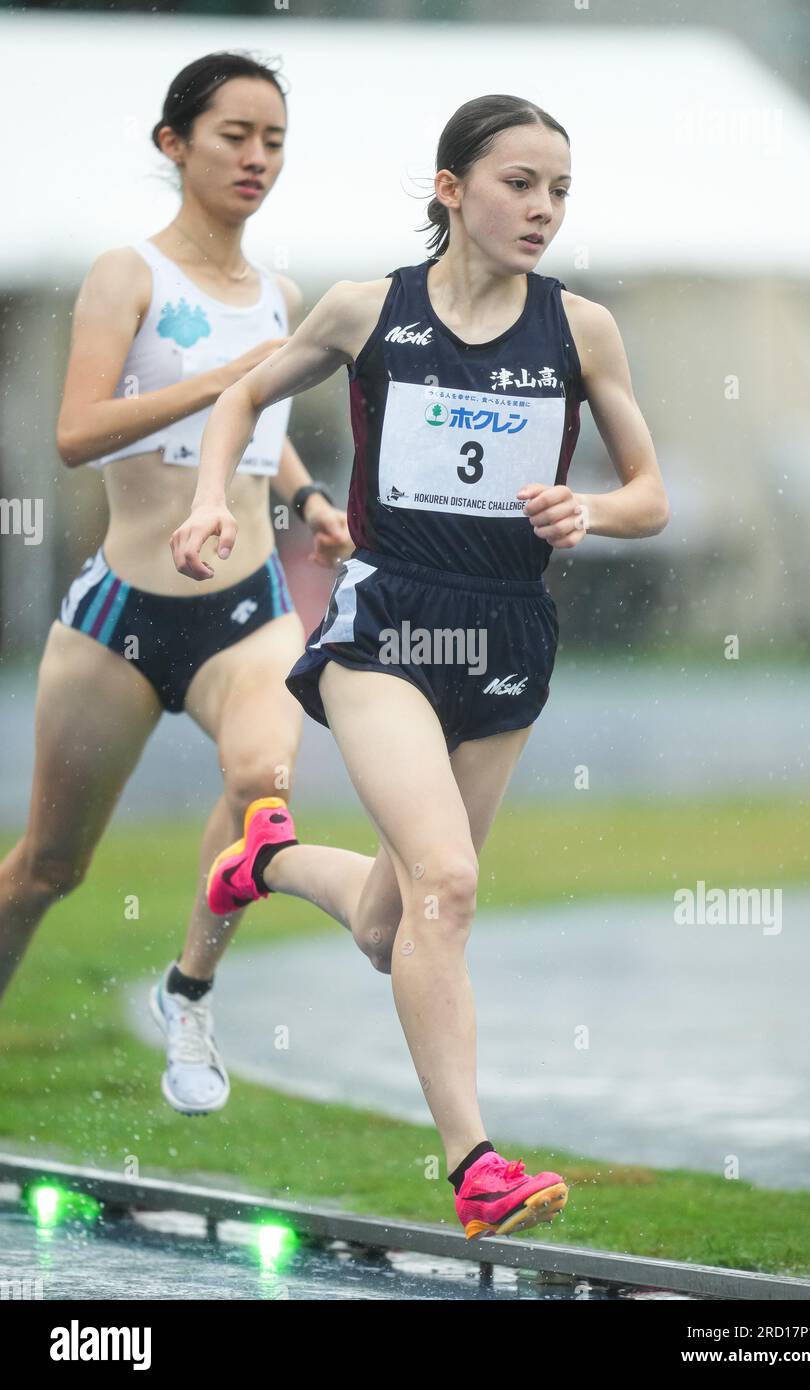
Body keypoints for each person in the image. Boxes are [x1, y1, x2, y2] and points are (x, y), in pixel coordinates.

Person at [170, 94, 670, 1238]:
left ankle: (266, 861)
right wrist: (213, 497)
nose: (541, 208)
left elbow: (649, 495)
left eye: (558, 190)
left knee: (397, 923)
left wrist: (587, 508)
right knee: (446, 882)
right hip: (385, 625)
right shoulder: (366, 309)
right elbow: (240, 392)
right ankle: (474, 1163)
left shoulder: (581, 329)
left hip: (506, 635)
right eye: (517, 184)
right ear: (450, 189)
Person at [0, 50, 373, 1120]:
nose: (258, 159)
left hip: (247, 609)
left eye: (275, 143)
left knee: (264, 789)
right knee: (46, 867)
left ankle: (190, 991)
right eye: (234, 136)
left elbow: (264, 435)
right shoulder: (128, 275)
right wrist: (218, 382)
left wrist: (306, 500)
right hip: (120, 617)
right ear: (175, 144)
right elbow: (75, 435)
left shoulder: (284, 296)